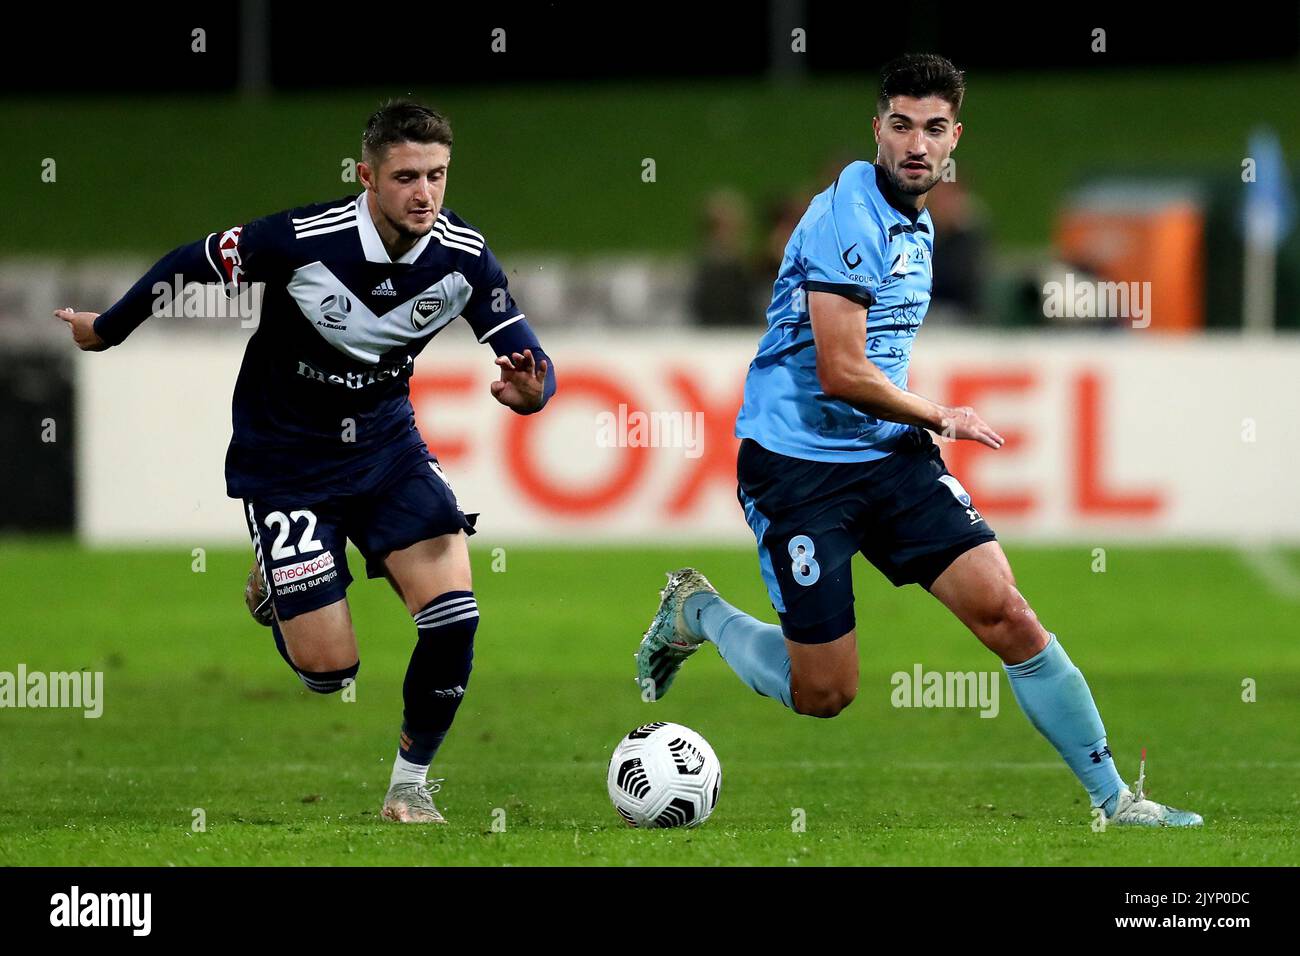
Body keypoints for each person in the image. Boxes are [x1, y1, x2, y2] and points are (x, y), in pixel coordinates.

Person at [636, 55, 1200, 828]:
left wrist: (917, 425)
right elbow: (839, 370)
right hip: (799, 468)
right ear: (878, 128)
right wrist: (940, 415)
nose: (916, 143)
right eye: (901, 124)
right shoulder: (847, 217)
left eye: (933, 128)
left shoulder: (924, 221)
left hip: (890, 458)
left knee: (1006, 612)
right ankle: (697, 611)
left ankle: (1116, 800)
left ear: (953, 137)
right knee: (825, 692)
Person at [57, 100, 555, 825]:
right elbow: (188, 263)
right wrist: (107, 329)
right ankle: (277, 586)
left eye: (438, 176)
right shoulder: (298, 239)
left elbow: (527, 353)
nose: (425, 194)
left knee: (454, 617)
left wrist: (534, 391)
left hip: (388, 452)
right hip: (286, 460)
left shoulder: (463, 257)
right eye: (407, 176)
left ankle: (409, 787)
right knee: (331, 672)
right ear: (367, 177)